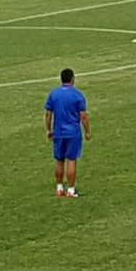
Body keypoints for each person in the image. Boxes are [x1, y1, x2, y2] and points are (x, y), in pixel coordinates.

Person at [44, 67, 89, 198]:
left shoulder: (54, 94)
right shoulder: (77, 95)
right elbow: (84, 116)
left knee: (59, 160)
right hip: (73, 133)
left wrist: (48, 130)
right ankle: (70, 190)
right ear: (73, 79)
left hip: (58, 132)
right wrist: (87, 131)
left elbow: (48, 114)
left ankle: (59, 188)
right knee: (71, 160)